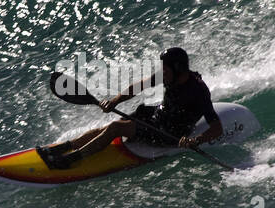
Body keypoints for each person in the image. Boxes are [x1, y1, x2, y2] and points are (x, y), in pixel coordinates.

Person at [37, 47, 222, 169]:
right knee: (111, 126)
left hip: (170, 132)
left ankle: (71, 160)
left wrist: (195, 140)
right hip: (158, 116)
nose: (162, 73)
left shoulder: (198, 91)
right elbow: (138, 87)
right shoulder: (169, 76)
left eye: (165, 69)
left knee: (116, 128)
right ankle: (64, 147)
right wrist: (114, 102)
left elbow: (216, 128)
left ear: (178, 69)